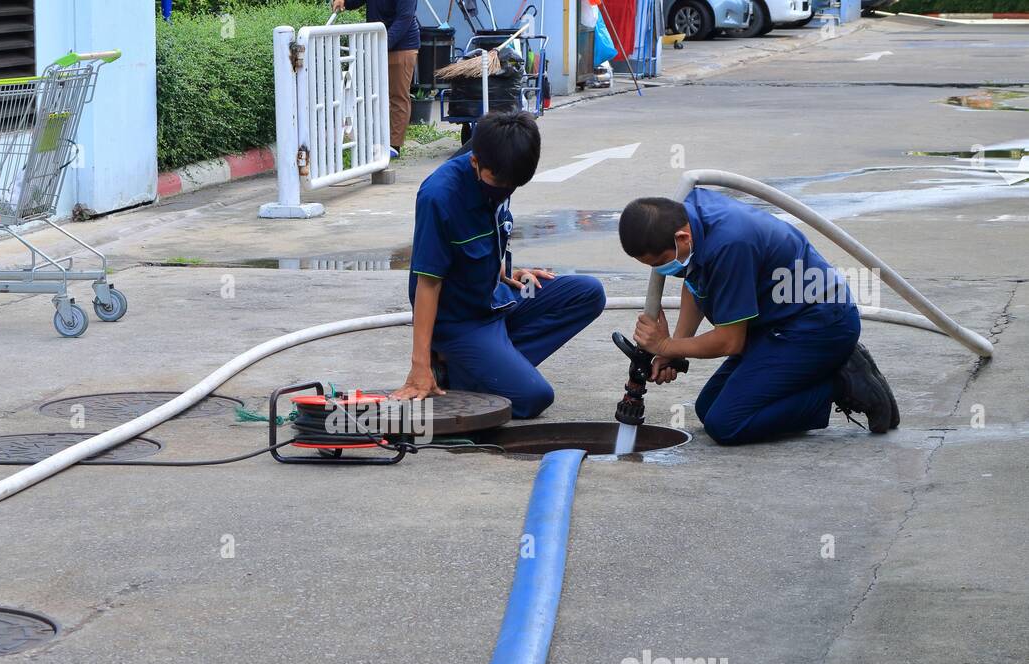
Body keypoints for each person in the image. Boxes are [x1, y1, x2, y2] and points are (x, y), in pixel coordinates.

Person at [619, 191, 900, 445]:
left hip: (819, 325)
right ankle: (816, 370)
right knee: (708, 407)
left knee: (727, 425)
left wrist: (665, 347)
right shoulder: (690, 219)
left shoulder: (730, 244)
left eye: (659, 263)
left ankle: (838, 383)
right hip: (776, 324)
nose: (661, 271)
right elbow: (696, 283)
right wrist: (677, 347)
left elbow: (730, 342)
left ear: (682, 239)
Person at [392, 111, 607, 416]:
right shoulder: (440, 197)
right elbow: (428, 283)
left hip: (498, 301)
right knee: (534, 396)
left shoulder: (503, 167)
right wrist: (420, 364)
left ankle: (486, 365)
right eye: (499, 182)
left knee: (587, 292)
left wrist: (504, 270)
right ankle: (456, 367)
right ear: (475, 162)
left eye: (514, 184)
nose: (505, 190)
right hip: (462, 323)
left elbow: (491, 232)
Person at [332, 0, 420, 157]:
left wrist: (383, 43)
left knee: (397, 95)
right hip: (378, 43)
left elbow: (405, 18)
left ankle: (394, 146)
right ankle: (379, 140)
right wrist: (344, 1)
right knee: (377, 96)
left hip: (401, 47)